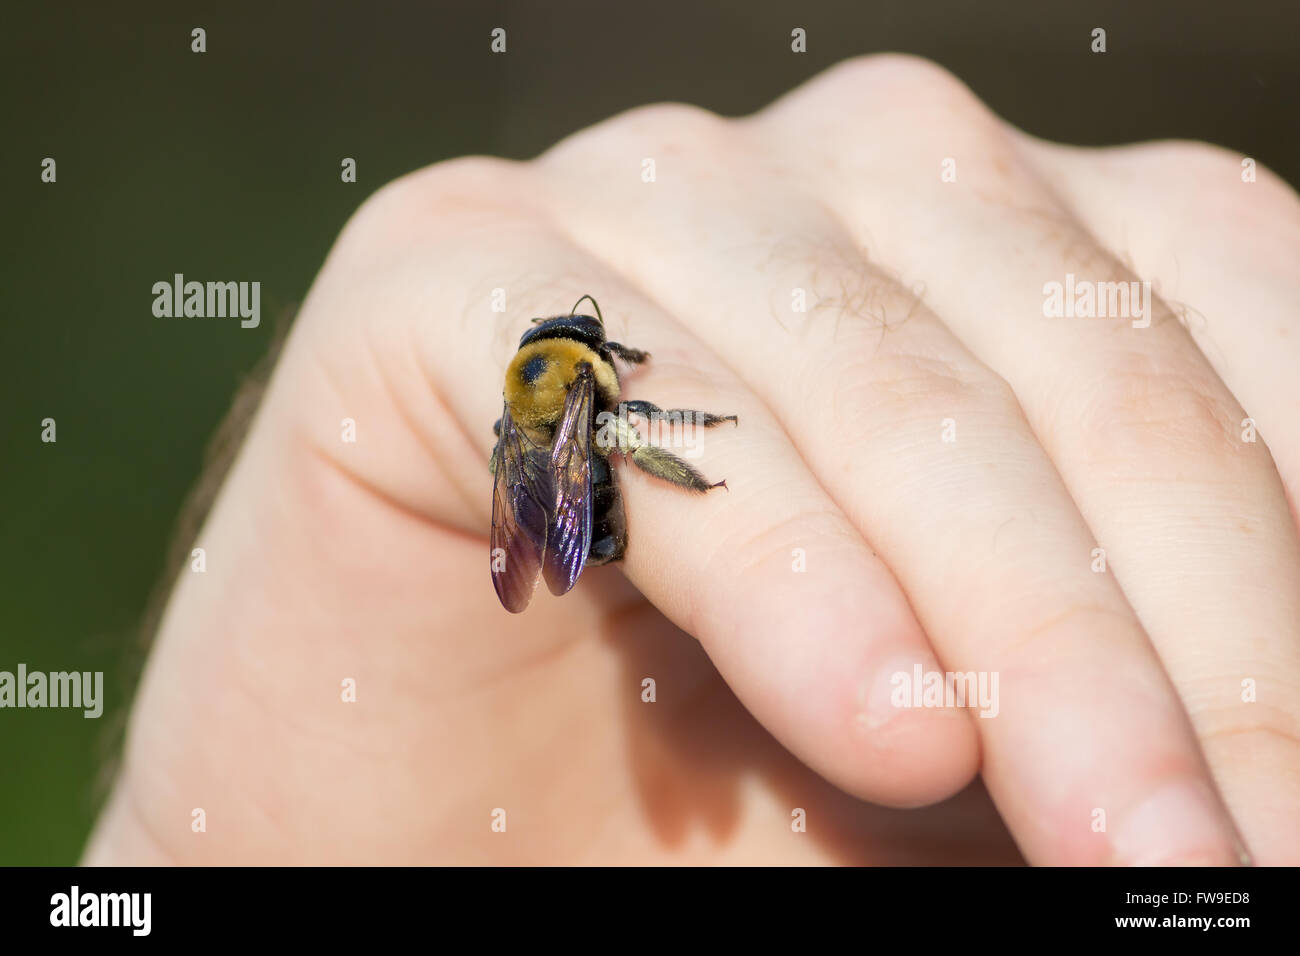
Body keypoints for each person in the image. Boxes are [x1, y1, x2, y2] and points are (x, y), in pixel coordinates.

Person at [84, 55, 1300, 865]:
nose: (601, 348)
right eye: (592, 346)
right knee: (637, 444)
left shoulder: (527, 406)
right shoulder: (582, 402)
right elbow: (611, 432)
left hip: (563, 518)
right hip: (583, 517)